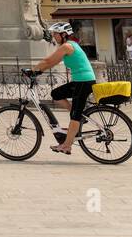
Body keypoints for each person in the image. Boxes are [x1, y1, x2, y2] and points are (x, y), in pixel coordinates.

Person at [32, 21, 97, 155]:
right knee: (56, 94)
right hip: (81, 81)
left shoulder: (67, 46)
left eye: (56, 34)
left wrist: (33, 70)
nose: (54, 37)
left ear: (63, 34)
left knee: (75, 116)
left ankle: (67, 145)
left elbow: (48, 61)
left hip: (83, 82)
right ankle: (78, 114)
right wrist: (39, 71)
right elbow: (52, 63)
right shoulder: (68, 45)